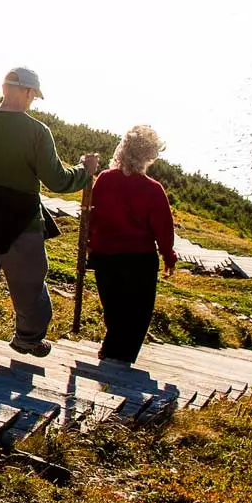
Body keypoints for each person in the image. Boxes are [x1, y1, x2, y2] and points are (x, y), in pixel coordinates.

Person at [0, 67, 99, 358]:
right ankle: (27, 340)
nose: (33, 101)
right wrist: (84, 171)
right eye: (34, 96)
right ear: (28, 92)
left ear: (4, 88)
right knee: (29, 286)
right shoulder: (38, 132)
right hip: (21, 222)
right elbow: (57, 181)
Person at [87, 124, 178, 365]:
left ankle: (109, 353)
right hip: (139, 260)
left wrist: (89, 243)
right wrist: (168, 256)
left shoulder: (105, 180)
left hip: (105, 257)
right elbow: (163, 230)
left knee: (114, 309)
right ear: (148, 155)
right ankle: (120, 362)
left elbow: (92, 215)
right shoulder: (152, 190)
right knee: (137, 314)